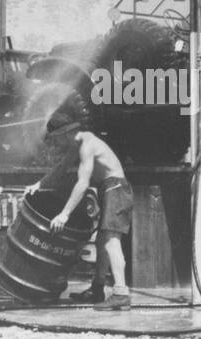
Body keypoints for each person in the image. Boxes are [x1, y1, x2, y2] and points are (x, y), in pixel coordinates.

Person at [27, 106, 133, 310]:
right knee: (103, 241)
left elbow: (82, 183)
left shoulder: (87, 145)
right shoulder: (79, 142)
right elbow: (60, 170)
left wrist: (64, 215)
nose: (55, 143)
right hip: (109, 188)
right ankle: (98, 289)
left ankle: (121, 293)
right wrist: (38, 185)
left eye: (56, 138)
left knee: (111, 241)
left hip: (116, 188)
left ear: (65, 133)